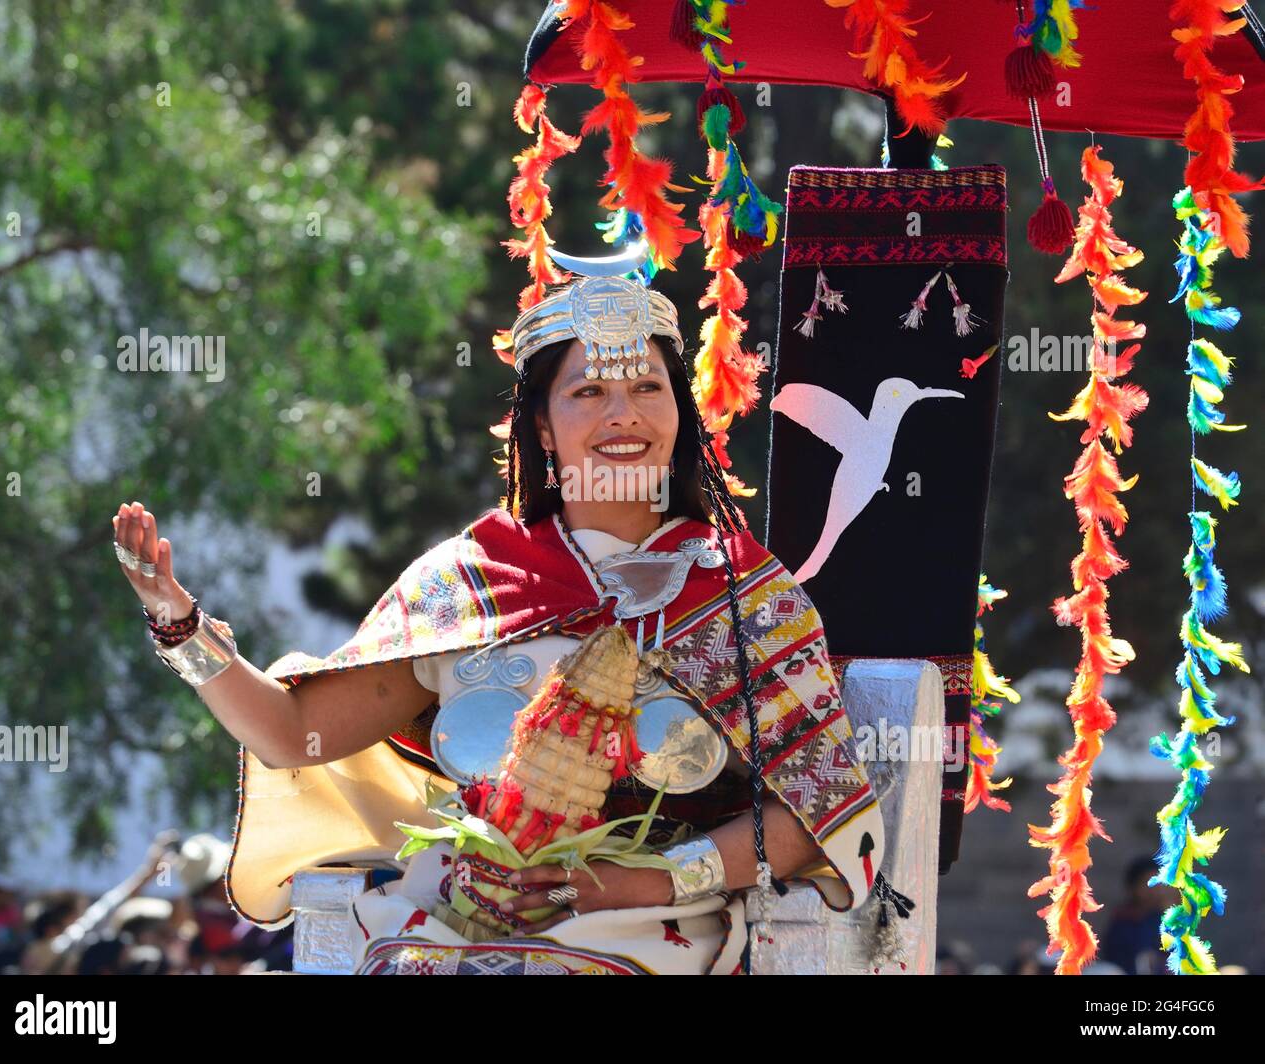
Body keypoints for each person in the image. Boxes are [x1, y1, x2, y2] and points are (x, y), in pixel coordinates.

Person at [111, 246, 886, 975]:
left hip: (650, 931)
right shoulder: (472, 580)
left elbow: (812, 813)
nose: (625, 414)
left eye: (647, 388)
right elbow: (290, 735)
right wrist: (179, 627)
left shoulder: (745, 595)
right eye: (589, 392)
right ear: (542, 425)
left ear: (679, 411)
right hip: (450, 917)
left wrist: (627, 886)